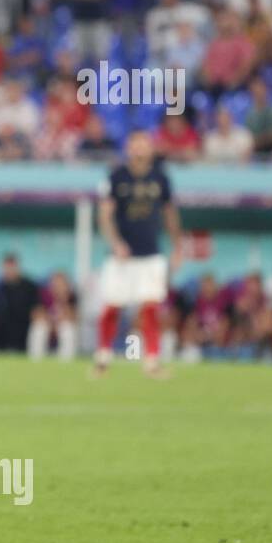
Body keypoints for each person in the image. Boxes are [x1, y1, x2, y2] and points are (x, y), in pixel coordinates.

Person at [93, 131, 182, 377]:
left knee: (151, 308)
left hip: (151, 254)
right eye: (136, 145)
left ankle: (152, 362)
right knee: (112, 307)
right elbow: (105, 215)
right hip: (121, 256)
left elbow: (169, 213)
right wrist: (116, 243)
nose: (140, 150)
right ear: (128, 148)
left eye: (145, 145)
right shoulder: (116, 177)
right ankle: (102, 359)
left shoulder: (161, 178)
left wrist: (177, 246)